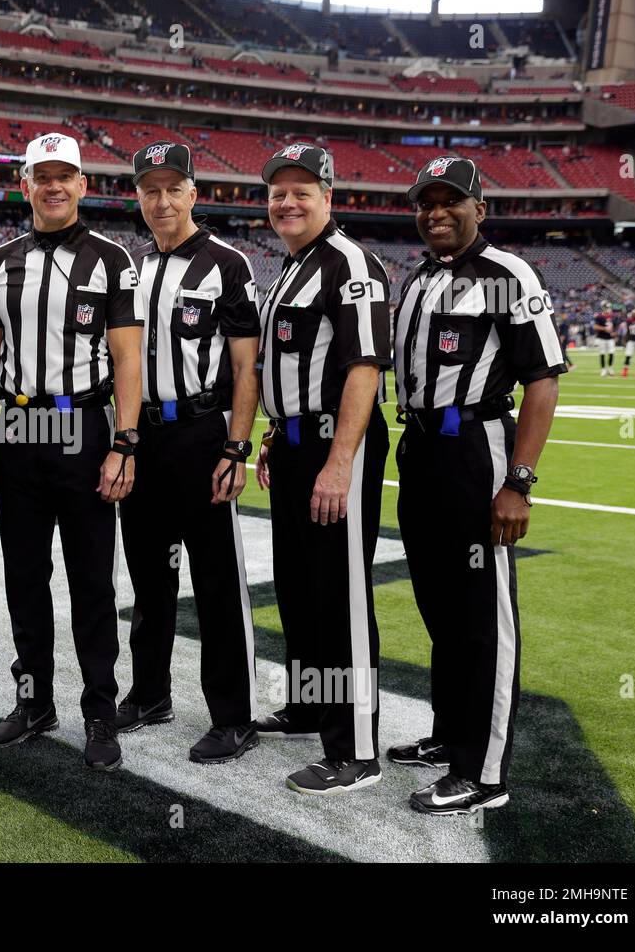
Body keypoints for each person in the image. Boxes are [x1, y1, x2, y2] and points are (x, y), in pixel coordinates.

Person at [391, 156, 564, 815]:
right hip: (422, 450)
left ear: (479, 209)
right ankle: (450, 735)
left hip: (475, 449)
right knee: (442, 609)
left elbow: (542, 381)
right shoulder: (419, 279)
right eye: (426, 202)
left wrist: (518, 482)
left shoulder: (505, 276)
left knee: (483, 616)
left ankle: (483, 773)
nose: (436, 212)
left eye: (450, 201)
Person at [0, 133, 145, 772]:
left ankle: (99, 712)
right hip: (20, 427)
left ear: (82, 185)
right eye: (40, 176)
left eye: (64, 176)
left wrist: (124, 445)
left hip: (84, 429)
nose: (53, 186)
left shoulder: (111, 259)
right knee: (24, 576)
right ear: (25, 185)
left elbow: (128, 357)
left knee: (91, 582)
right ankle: (34, 702)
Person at [251, 143, 392, 796]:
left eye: (301, 191)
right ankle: (312, 705)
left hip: (341, 442)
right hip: (300, 441)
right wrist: (278, 434)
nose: (287, 202)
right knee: (300, 588)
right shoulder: (292, 266)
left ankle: (356, 750)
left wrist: (340, 463)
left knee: (339, 594)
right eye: (278, 191)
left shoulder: (350, 263)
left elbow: (363, 367)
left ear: (328, 197)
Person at [118, 141, 262, 764]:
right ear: (139, 198)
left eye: (174, 188)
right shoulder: (132, 269)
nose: (162, 200)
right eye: (151, 189)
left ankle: (233, 716)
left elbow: (246, 366)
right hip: (143, 436)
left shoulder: (227, 263)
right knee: (149, 576)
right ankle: (150, 694)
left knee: (215, 581)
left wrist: (236, 444)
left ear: (195, 193)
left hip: (201, 431)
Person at [592, 308, 615, 376]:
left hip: (610, 338)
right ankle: (603, 369)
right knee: (602, 354)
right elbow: (595, 327)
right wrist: (605, 328)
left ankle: (610, 368)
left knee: (611, 353)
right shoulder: (599, 317)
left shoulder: (613, 317)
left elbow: (616, 327)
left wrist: (614, 333)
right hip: (601, 338)